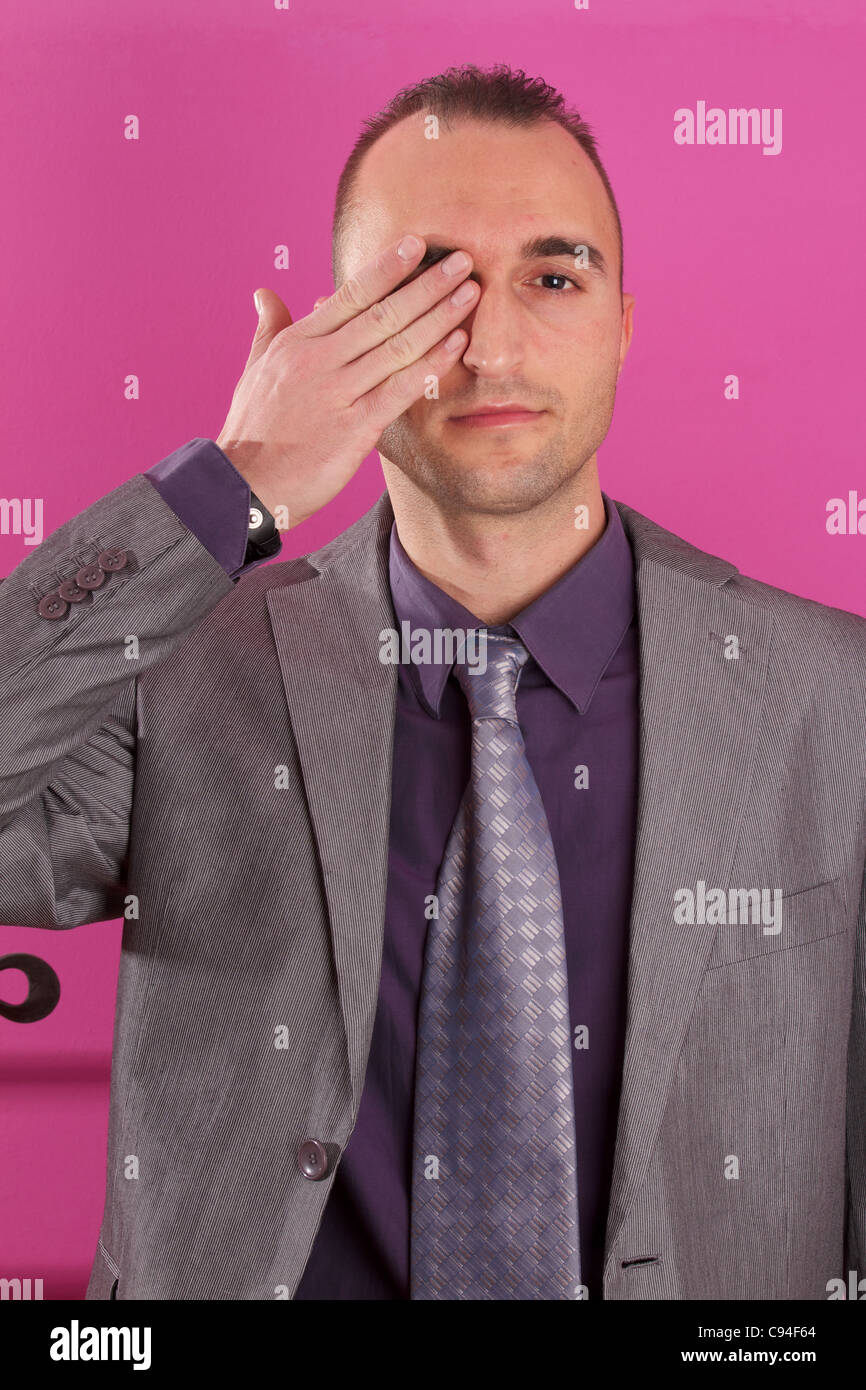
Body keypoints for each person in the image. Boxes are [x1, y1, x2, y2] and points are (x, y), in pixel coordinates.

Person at [1, 63, 863, 1301]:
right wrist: (225, 488)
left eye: (551, 278)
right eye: (426, 287)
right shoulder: (177, 673)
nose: (493, 345)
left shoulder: (833, 700)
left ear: (623, 324)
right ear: (329, 341)